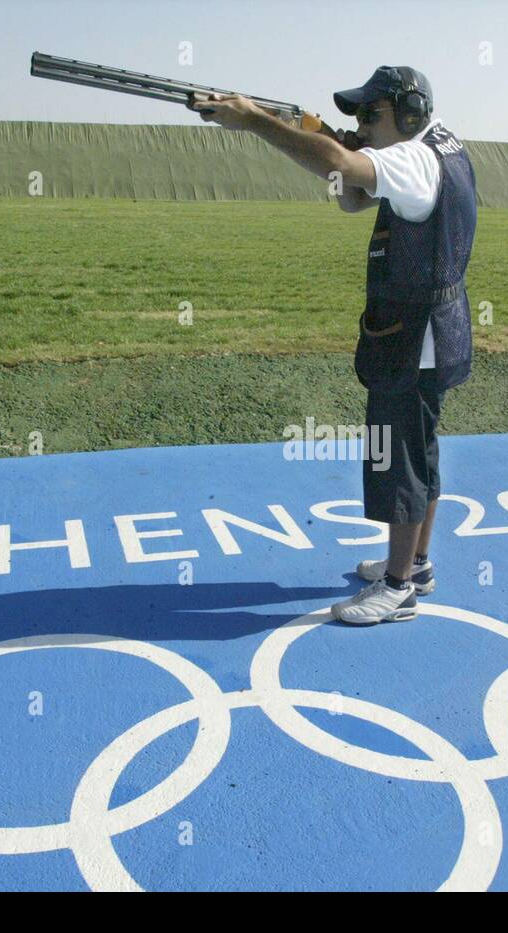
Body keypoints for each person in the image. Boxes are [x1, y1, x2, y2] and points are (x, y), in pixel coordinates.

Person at [192, 66, 477, 625]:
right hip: (433, 331)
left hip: (412, 334)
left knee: (399, 459)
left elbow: (340, 167)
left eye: (372, 115)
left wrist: (255, 122)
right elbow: (350, 196)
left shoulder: (412, 158)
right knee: (420, 450)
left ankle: (398, 589)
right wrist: (341, 145)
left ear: (409, 112)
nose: (362, 124)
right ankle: (415, 562)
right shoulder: (435, 144)